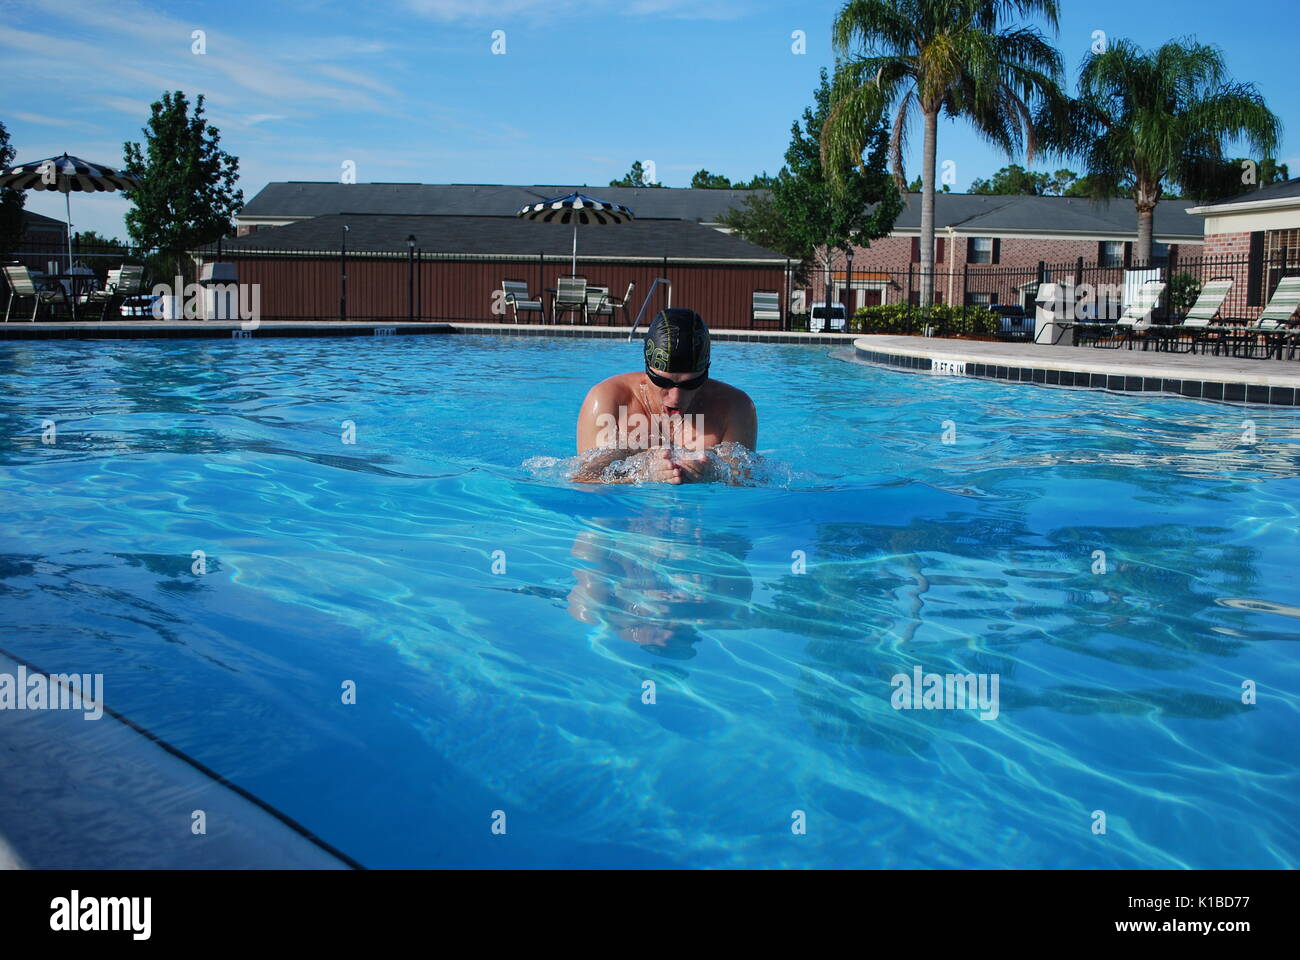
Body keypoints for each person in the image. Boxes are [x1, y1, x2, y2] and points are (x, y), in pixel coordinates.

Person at [574, 308, 757, 484]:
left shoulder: (735, 408)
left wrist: (716, 475)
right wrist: (641, 473)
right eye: (663, 382)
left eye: (690, 384)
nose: (676, 397)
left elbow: (743, 485)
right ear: (647, 368)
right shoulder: (609, 400)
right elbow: (585, 481)